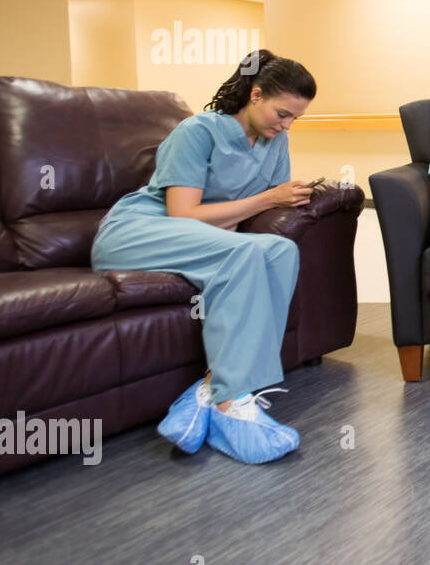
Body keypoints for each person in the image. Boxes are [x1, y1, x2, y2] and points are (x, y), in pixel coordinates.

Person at [91, 50, 318, 464]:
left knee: (281, 251)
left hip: (199, 236)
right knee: (248, 253)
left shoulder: (275, 140)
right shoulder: (197, 132)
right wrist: (264, 199)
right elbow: (183, 214)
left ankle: (209, 392)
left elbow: (258, 210)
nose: (285, 125)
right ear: (255, 94)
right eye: (281, 113)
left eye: (293, 120)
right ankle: (232, 405)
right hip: (139, 232)